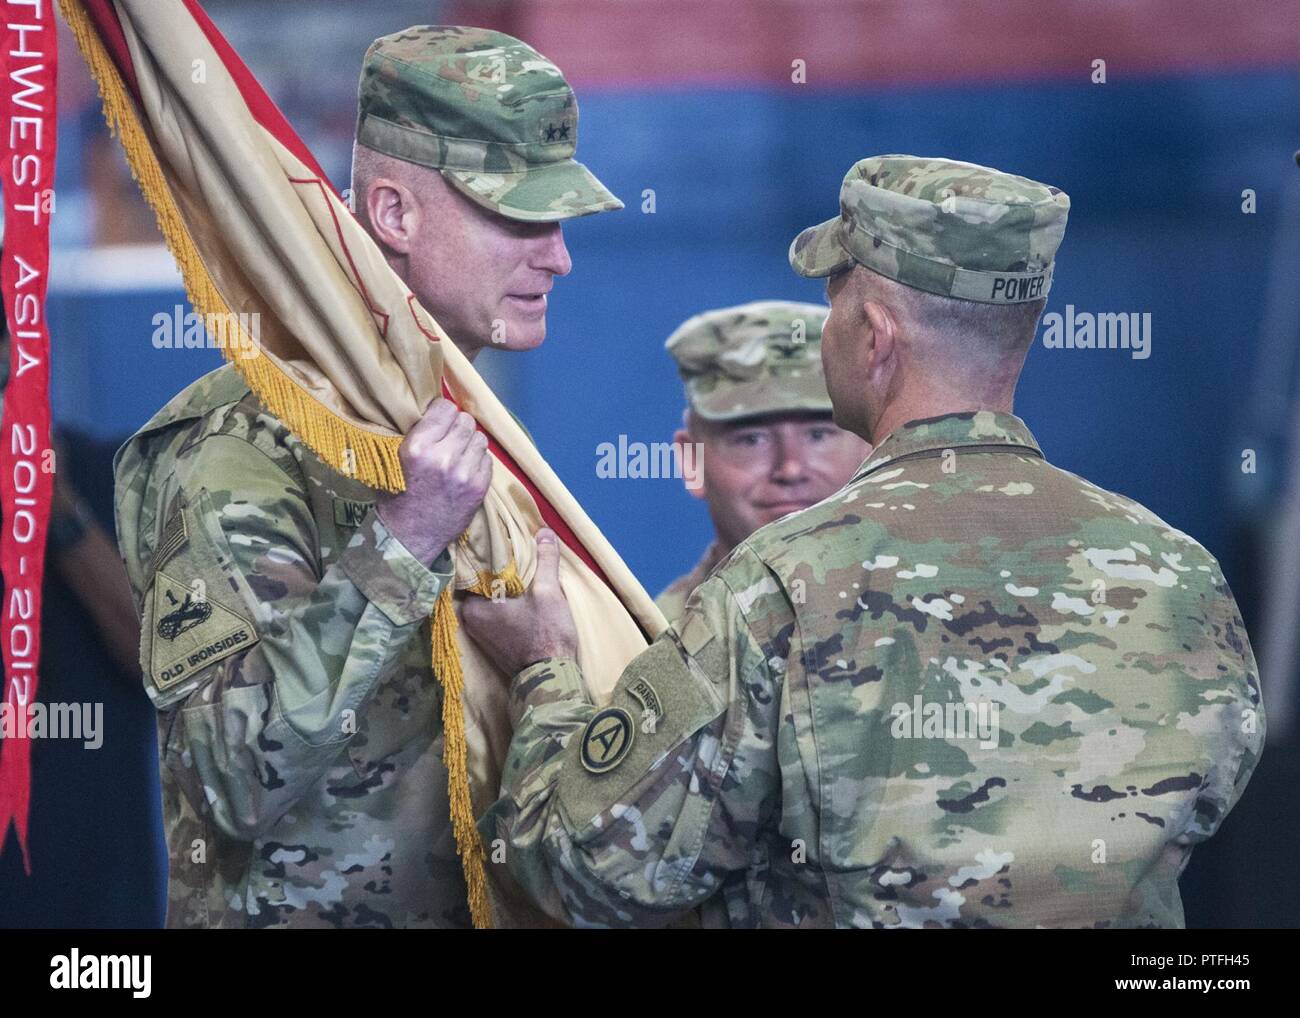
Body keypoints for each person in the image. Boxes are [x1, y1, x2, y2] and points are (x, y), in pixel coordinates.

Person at [465, 155, 1266, 928]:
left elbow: (583, 873)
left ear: (875, 337)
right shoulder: (1179, 574)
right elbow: (1209, 802)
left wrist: (544, 674)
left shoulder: (783, 586)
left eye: (835, 300)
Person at [112, 26, 621, 929]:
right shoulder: (240, 444)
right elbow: (230, 778)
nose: (557, 257)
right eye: (517, 218)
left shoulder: (464, 427)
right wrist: (403, 540)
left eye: (561, 223)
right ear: (393, 215)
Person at [656, 302, 870, 622]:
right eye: (751, 439)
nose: (790, 468)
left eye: (818, 435)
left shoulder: (945, 613)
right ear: (692, 461)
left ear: (870, 445)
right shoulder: (640, 644)